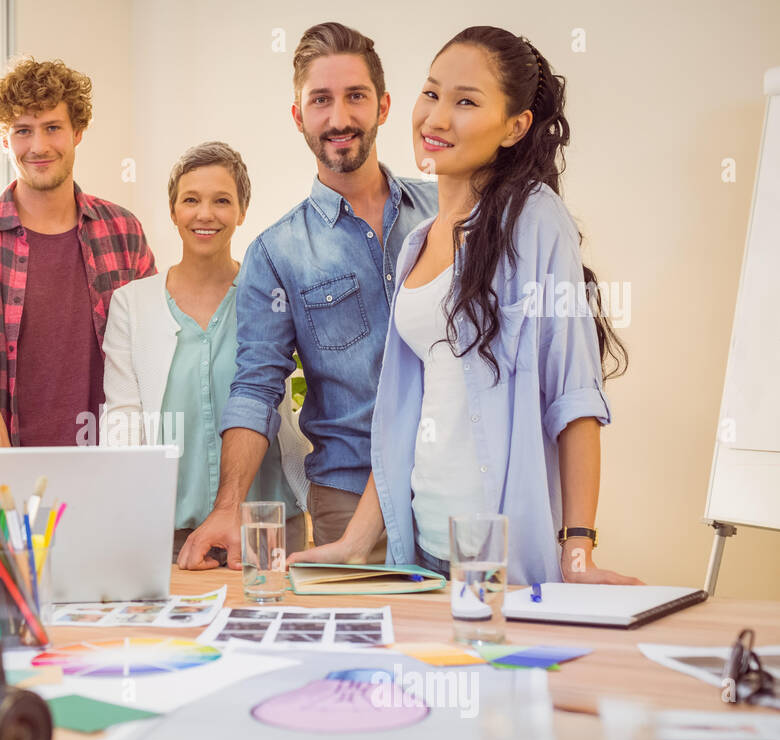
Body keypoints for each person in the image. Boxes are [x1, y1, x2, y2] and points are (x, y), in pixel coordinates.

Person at [289, 27, 641, 586]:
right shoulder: (416, 244)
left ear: (515, 125)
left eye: (466, 102)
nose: (437, 118)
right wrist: (358, 540)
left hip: (498, 558)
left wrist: (579, 553)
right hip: (424, 551)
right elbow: (405, 411)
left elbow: (574, 393)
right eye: (431, 93)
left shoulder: (533, 219)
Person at [177, 23, 437, 570]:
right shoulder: (276, 254)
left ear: (384, 105)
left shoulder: (445, 212)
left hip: (455, 486)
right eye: (321, 100)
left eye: (355, 97)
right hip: (346, 499)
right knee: (363, 651)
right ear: (298, 115)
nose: (339, 118)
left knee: (468, 649)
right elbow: (256, 387)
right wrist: (229, 508)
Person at [102, 142, 310, 561]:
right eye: (191, 200)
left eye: (222, 201)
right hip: (170, 533)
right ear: (173, 210)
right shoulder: (132, 304)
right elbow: (122, 415)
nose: (205, 214)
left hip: (268, 528)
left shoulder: (273, 295)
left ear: (242, 212)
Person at [0, 57, 155, 448]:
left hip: (114, 463)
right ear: (4, 140)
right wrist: (8, 479)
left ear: (78, 132)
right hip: (11, 470)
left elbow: (150, 349)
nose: (38, 146)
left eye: (52, 128)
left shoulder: (124, 231)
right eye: (23, 131)